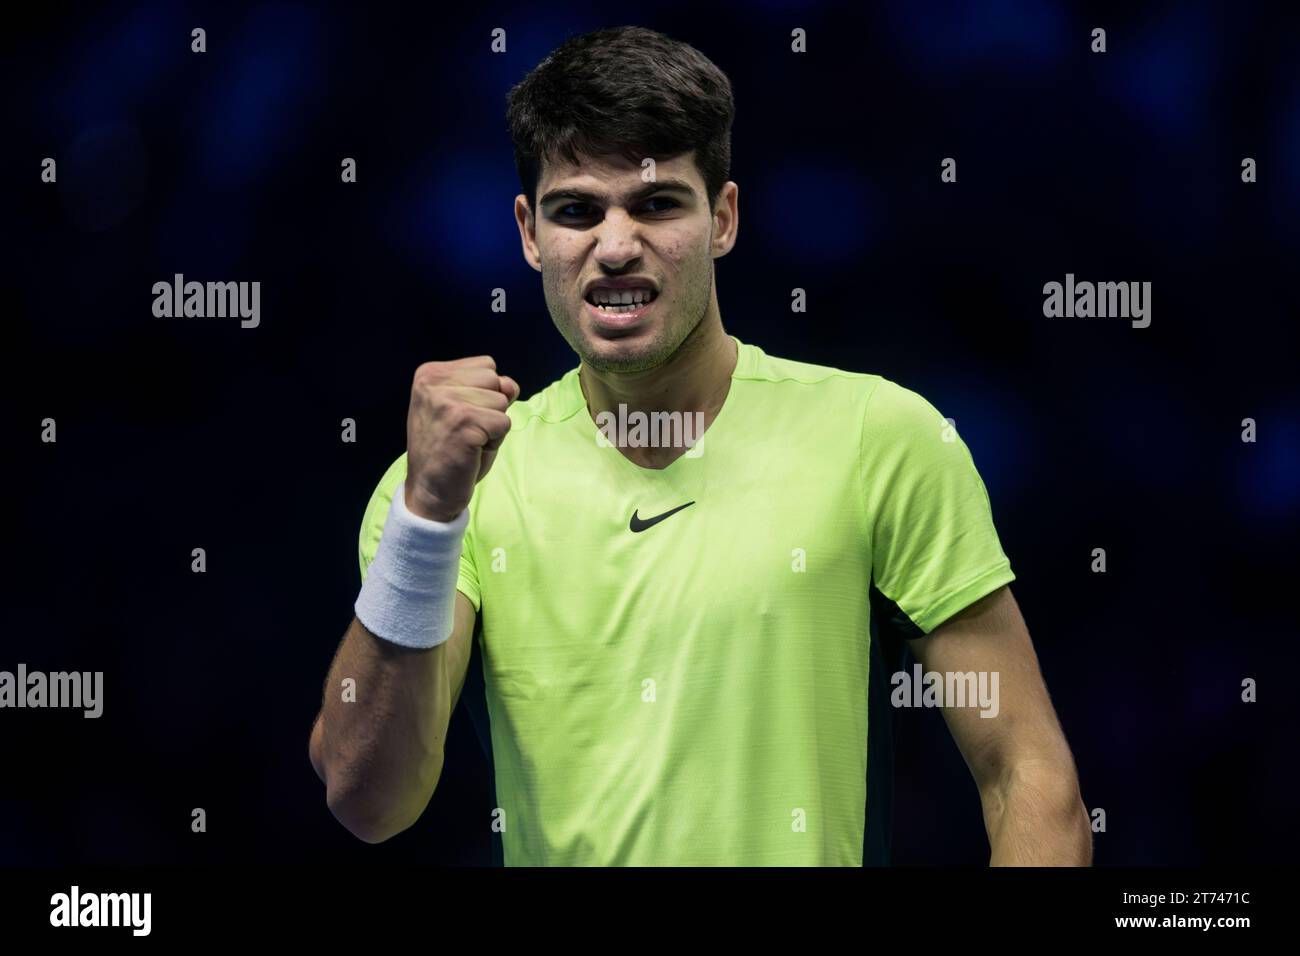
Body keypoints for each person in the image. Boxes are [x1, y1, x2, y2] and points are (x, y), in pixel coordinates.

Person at [309, 24, 1091, 866]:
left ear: (722, 217)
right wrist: (427, 515)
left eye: (655, 203)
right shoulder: (447, 490)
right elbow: (367, 800)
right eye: (578, 210)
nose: (614, 245)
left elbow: (1027, 774)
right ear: (530, 233)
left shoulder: (881, 438)